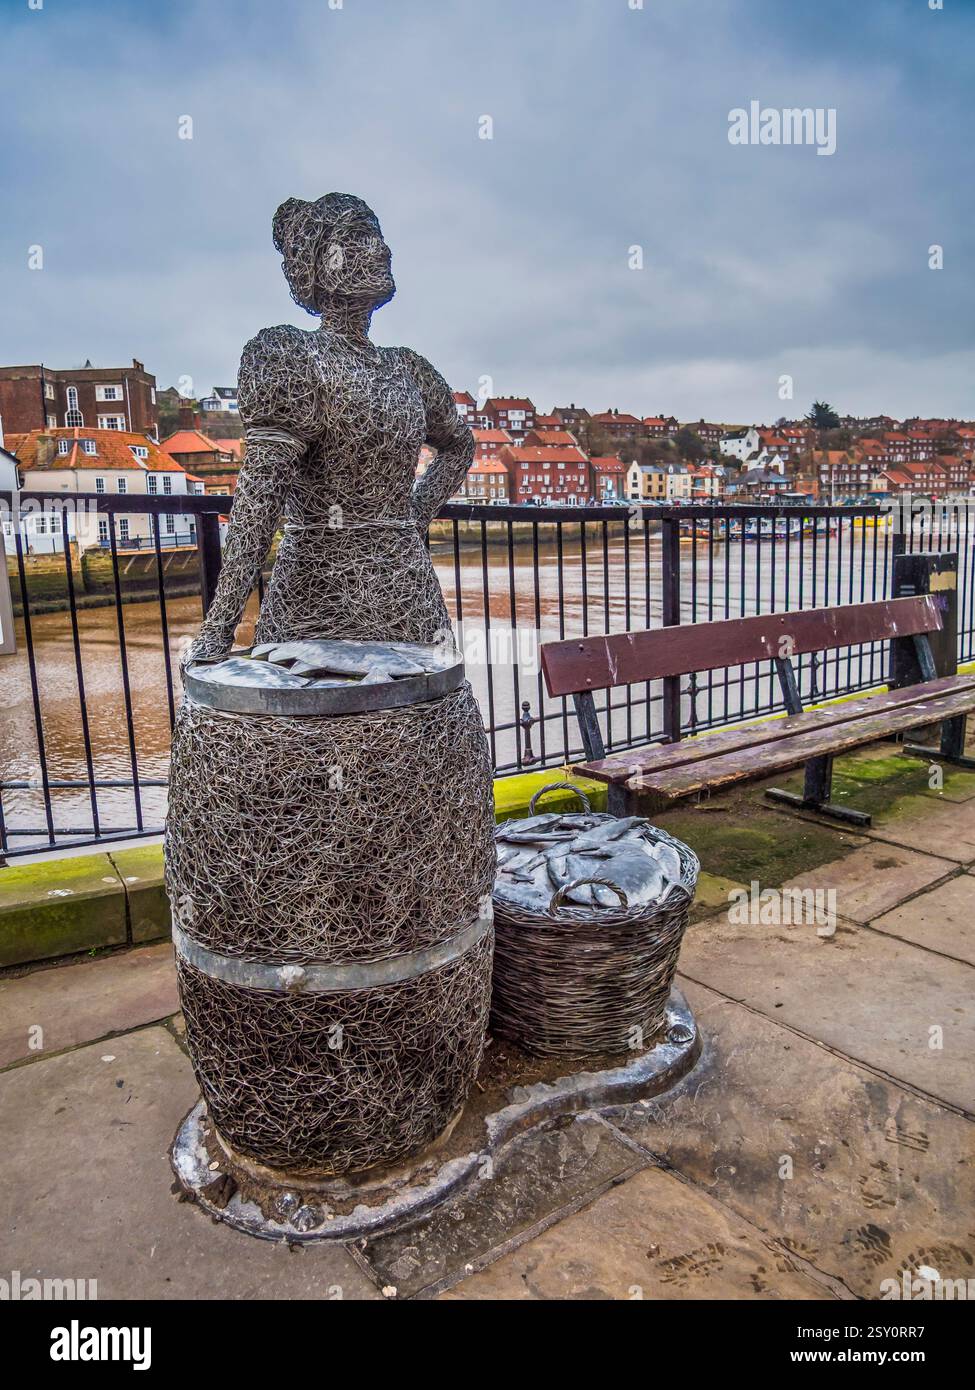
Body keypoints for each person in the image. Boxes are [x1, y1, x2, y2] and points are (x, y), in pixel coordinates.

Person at [183, 192, 474, 662]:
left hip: (406, 592)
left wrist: (412, 516)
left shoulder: (409, 369)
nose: (381, 250)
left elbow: (459, 445)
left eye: (377, 237)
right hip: (313, 601)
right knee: (313, 724)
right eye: (357, 238)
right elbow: (259, 500)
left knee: (420, 717)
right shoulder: (293, 357)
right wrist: (218, 632)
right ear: (318, 267)